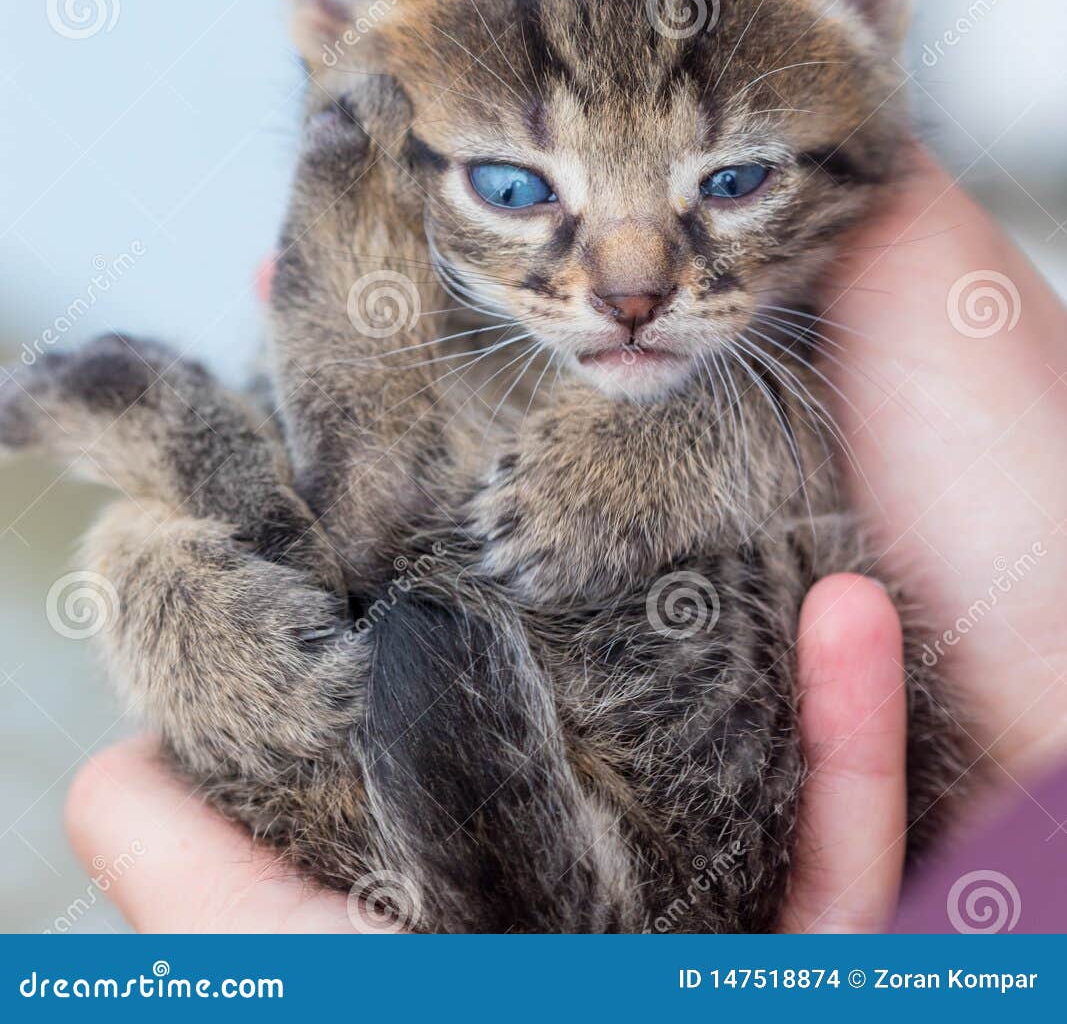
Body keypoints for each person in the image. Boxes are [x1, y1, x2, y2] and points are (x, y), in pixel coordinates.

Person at [64, 147, 1067, 933]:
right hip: (668, 851)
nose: (629, 281)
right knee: (151, 570)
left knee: (171, 579)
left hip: (667, 822)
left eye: (726, 175)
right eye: (508, 179)